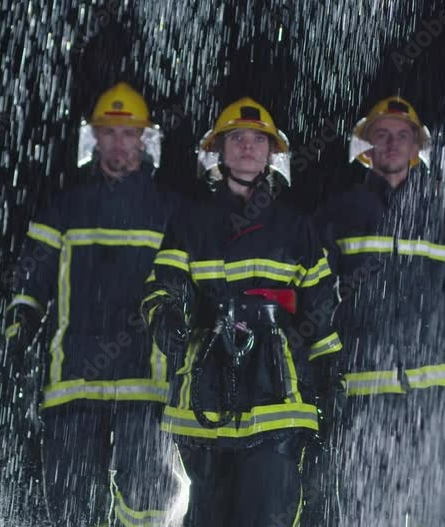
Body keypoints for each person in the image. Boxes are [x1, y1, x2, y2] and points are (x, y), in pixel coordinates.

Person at [140, 97, 343, 526]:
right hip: (205, 390)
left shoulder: (297, 226)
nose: (248, 146)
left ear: (271, 152)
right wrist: (169, 319)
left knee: (268, 509)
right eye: (237, 138)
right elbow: (163, 287)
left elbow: (320, 305)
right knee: (208, 515)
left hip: (278, 391)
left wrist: (327, 376)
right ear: (220, 150)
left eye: (257, 140)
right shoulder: (190, 221)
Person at [312, 95, 445, 526]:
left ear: (417, 147)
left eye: (402, 136)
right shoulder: (338, 213)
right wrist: (324, 363)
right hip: (365, 393)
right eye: (382, 135)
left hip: (441, 395)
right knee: (366, 512)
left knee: (444, 513)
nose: (392, 144)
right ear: (367, 146)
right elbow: (316, 294)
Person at [4, 82, 181, 527]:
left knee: (148, 498)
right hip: (74, 377)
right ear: (94, 138)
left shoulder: (170, 210)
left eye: (128, 133)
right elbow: (32, 280)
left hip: (146, 378)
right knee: (71, 500)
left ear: (144, 139)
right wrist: (18, 330)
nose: (118, 143)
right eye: (109, 132)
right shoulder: (64, 206)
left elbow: (187, 283)